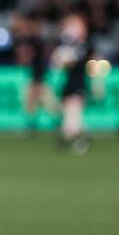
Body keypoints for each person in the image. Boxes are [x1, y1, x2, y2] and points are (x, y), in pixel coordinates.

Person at [50, 13, 98, 155]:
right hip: (69, 84)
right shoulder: (67, 46)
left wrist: (97, 83)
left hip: (79, 84)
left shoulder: (84, 47)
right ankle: (79, 136)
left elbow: (93, 63)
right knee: (70, 113)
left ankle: (73, 137)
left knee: (72, 113)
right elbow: (58, 64)